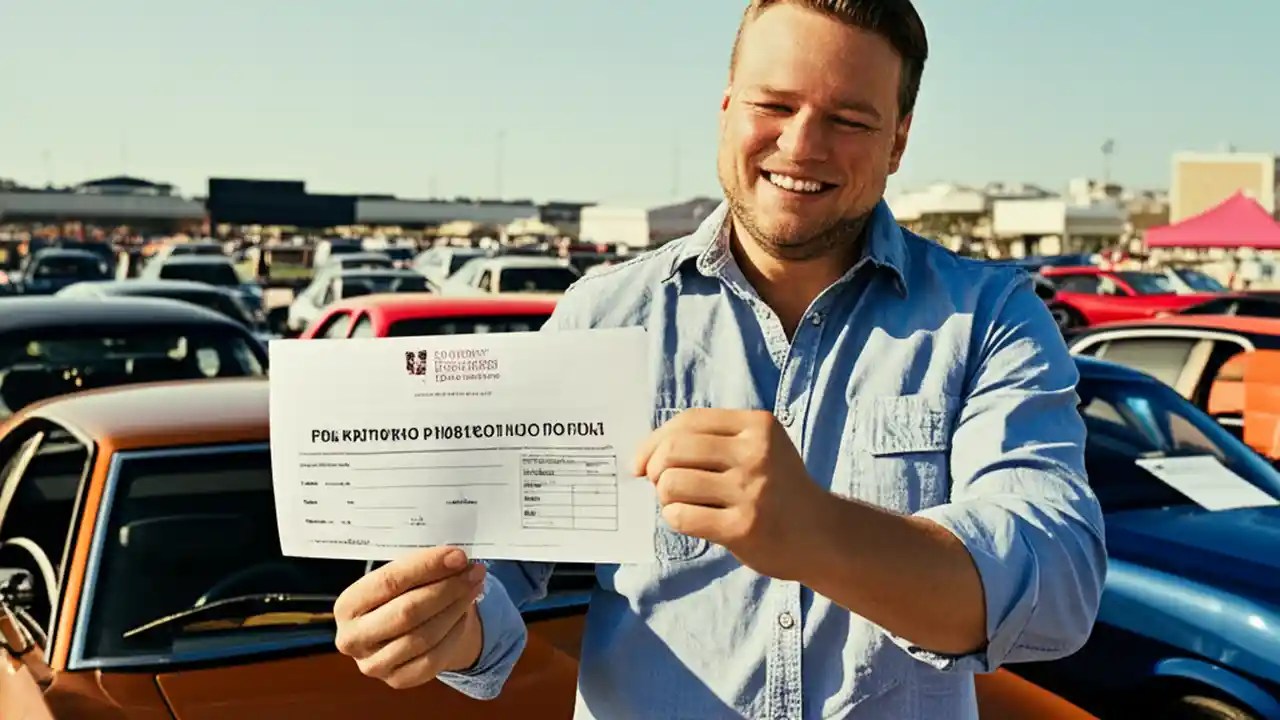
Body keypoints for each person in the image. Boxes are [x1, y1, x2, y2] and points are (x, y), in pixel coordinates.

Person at [331, 1, 1108, 717]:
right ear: (727, 107)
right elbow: (495, 570)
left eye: (849, 119)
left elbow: (1057, 584)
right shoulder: (604, 318)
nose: (801, 145)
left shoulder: (988, 318)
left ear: (900, 139)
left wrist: (820, 533)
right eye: (774, 105)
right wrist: (440, 623)